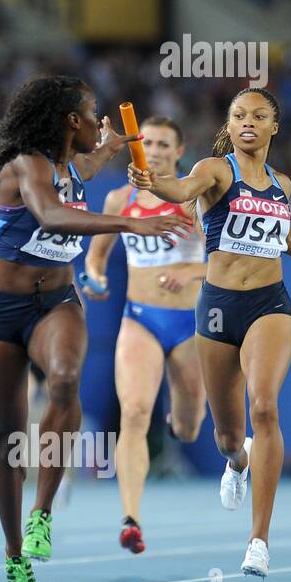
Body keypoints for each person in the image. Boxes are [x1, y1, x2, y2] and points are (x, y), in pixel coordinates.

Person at [128, 88, 291, 576]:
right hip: (218, 308)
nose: (247, 122)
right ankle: (236, 462)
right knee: (226, 435)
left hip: (270, 304)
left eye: (258, 116)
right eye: (238, 114)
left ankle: (258, 540)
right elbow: (180, 190)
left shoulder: (282, 182)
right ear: (230, 123)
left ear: (273, 127)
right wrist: (152, 182)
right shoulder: (216, 170)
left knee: (264, 406)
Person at [0, 76, 191, 582]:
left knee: (66, 381)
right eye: (94, 115)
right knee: (6, 440)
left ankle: (43, 513)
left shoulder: (69, 164)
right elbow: (51, 214)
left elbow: (83, 170)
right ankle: (15, 557)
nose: (100, 121)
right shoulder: (25, 165)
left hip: (56, 301)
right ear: (71, 119)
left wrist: (113, 147)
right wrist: (128, 225)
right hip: (1, 312)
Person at [81, 116, 207, 553]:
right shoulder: (121, 198)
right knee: (133, 413)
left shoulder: (195, 199)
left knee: (189, 428)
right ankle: (131, 518)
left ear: (179, 150)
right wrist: (95, 279)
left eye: (162, 144)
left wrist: (190, 271)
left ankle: (181, 419)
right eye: (146, 141)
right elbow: (96, 258)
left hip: (190, 327)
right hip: (140, 320)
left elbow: (228, 263)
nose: (152, 149)